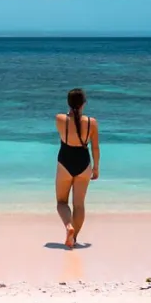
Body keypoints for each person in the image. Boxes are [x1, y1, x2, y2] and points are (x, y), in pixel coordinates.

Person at [54, 87, 98, 248]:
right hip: (84, 162)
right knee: (79, 204)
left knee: (61, 202)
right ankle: (74, 238)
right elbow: (95, 148)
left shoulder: (59, 119)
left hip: (65, 161)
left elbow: (69, 122)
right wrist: (96, 168)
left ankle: (68, 227)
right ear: (84, 103)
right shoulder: (91, 123)